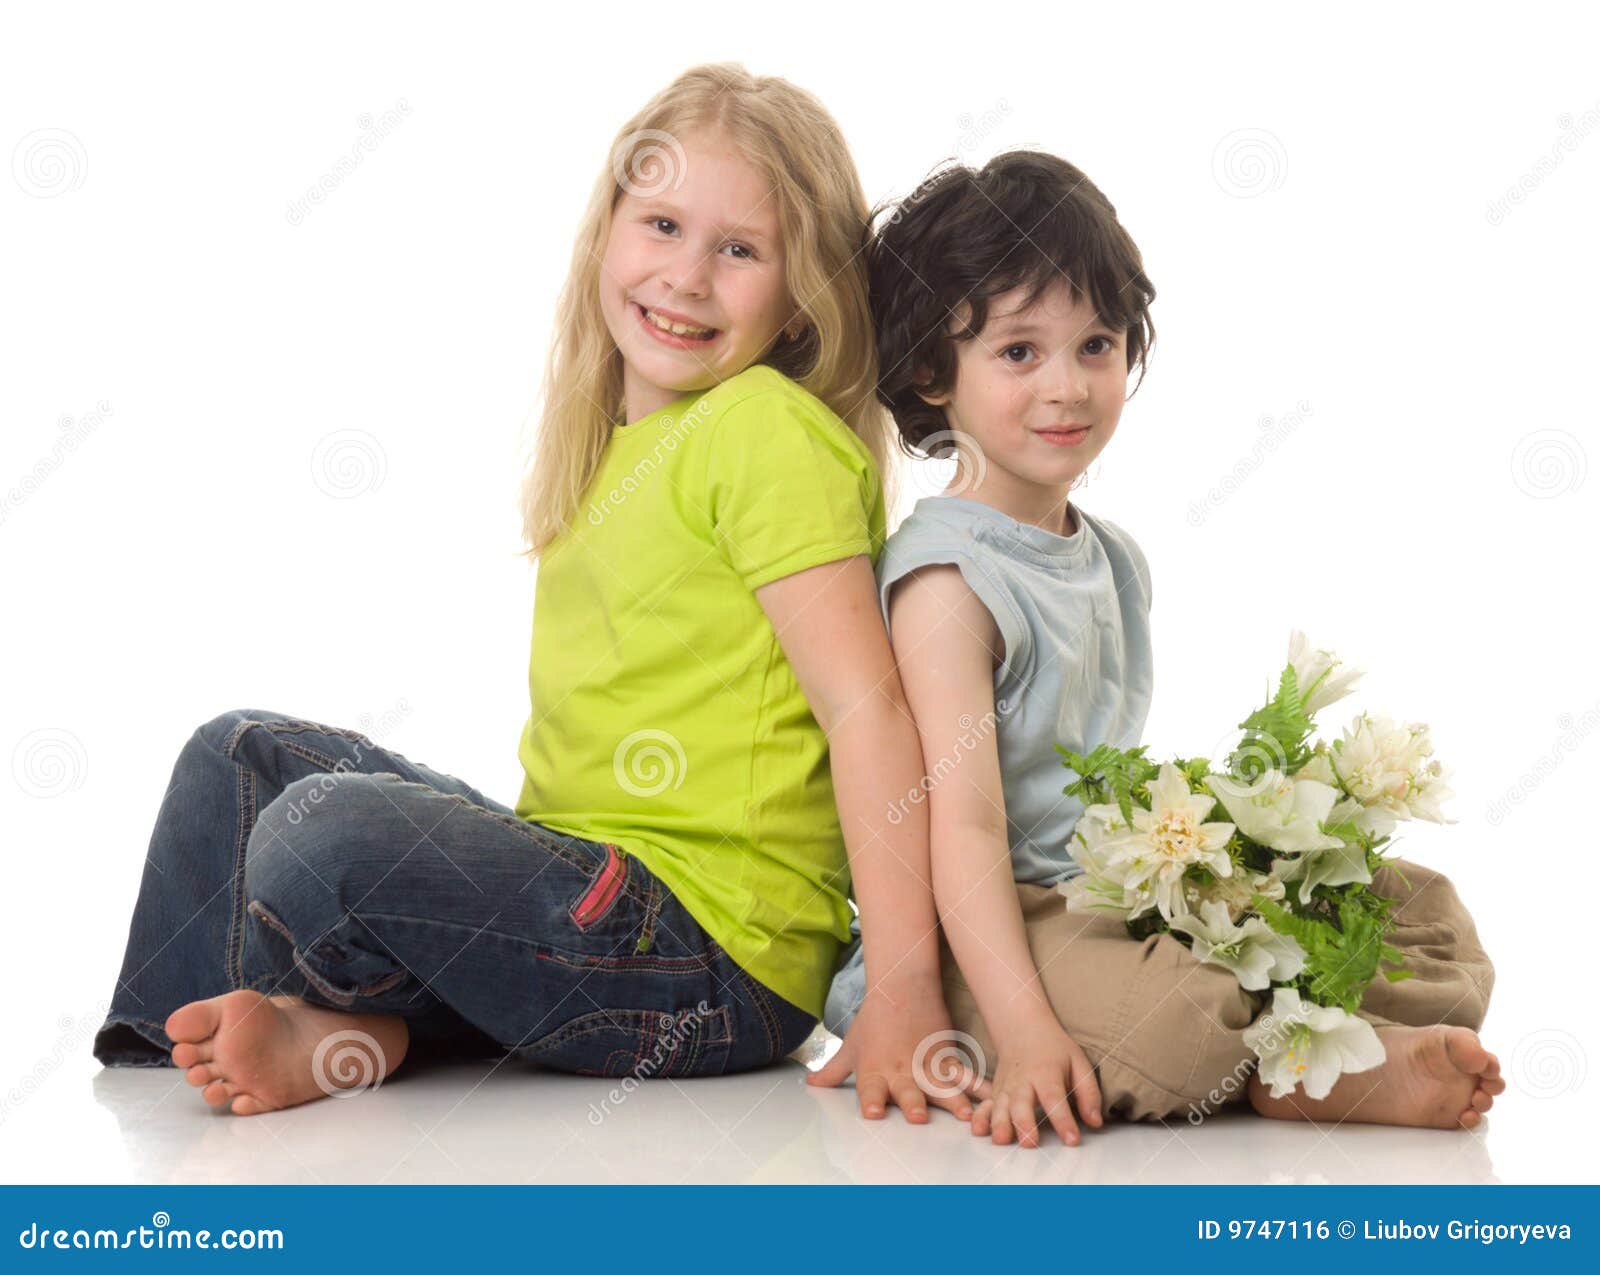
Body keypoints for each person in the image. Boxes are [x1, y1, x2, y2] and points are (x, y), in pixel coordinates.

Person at [93, 63, 984, 1122]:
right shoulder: (608, 447)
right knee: (238, 757)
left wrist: (902, 984)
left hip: (706, 962)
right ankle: (185, 1056)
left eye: (740, 251)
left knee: (317, 830)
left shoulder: (763, 430)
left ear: (802, 304)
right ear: (607, 230)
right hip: (590, 900)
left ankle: (357, 1026)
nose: (687, 277)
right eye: (661, 225)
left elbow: (864, 707)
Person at [817, 151, 1502, 1147]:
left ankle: (1309, 1041)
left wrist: (1226, 868)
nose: (1068, 385)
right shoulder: (945, 581)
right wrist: (1023, 1032)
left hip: (1105, 902)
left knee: (1421, 913)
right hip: (989, 934)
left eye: (1095, 344)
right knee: (1181, 1019)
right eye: (1018, 352)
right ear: (931, 371)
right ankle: (1300, 1070)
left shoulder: (1114, 560)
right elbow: (961, 836)